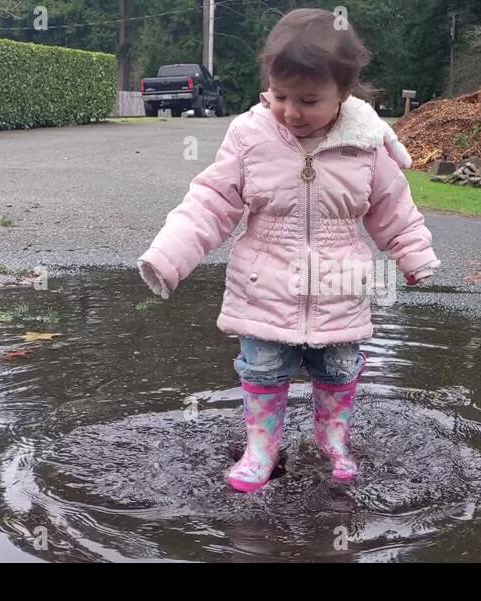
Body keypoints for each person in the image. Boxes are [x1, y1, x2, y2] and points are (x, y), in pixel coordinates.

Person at [137, 8, 439, 493]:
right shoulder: (250, 135)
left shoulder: (365, 146)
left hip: (339, 289)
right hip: (263, 288)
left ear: (344, 93)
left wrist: (414, 254)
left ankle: (332, 438)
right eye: (280, 96)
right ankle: (262, 447)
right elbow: (211, 201)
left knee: (339, 369)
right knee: (261, 369)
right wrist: (169, 256)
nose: (291, 111)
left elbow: (392, 208)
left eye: (309, 100)